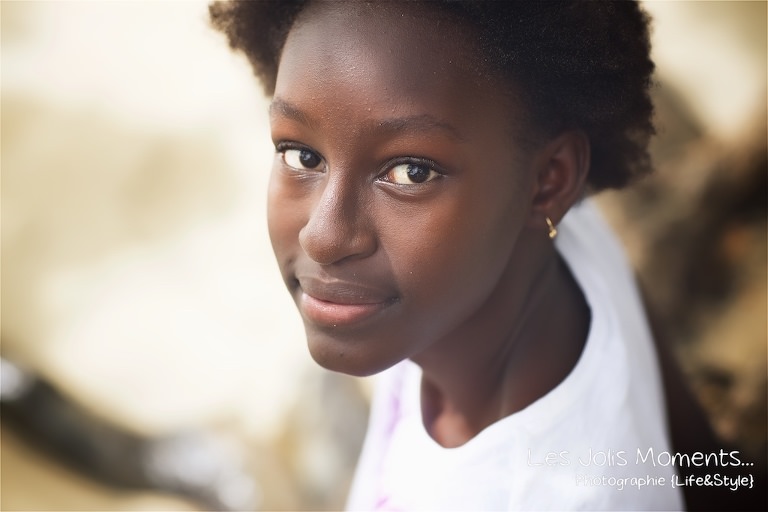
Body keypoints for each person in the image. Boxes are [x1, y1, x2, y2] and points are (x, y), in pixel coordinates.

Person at [210, 1, 694, 509]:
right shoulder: (568, 237)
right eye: (301, 155)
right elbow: (706, 465)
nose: (323, 236)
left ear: (549, 180)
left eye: (411, 172)